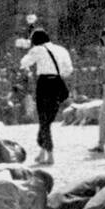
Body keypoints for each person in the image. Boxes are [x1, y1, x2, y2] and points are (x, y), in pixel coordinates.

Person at [19, 29, 73, 166]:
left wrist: (29, 51)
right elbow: (68, 70)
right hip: (58, 83)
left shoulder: (37, 49)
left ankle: (49, 153)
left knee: (43, 119)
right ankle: (42, 151)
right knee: (47, 119)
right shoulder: (61, 50)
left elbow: (24, 63)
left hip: (44, 83)